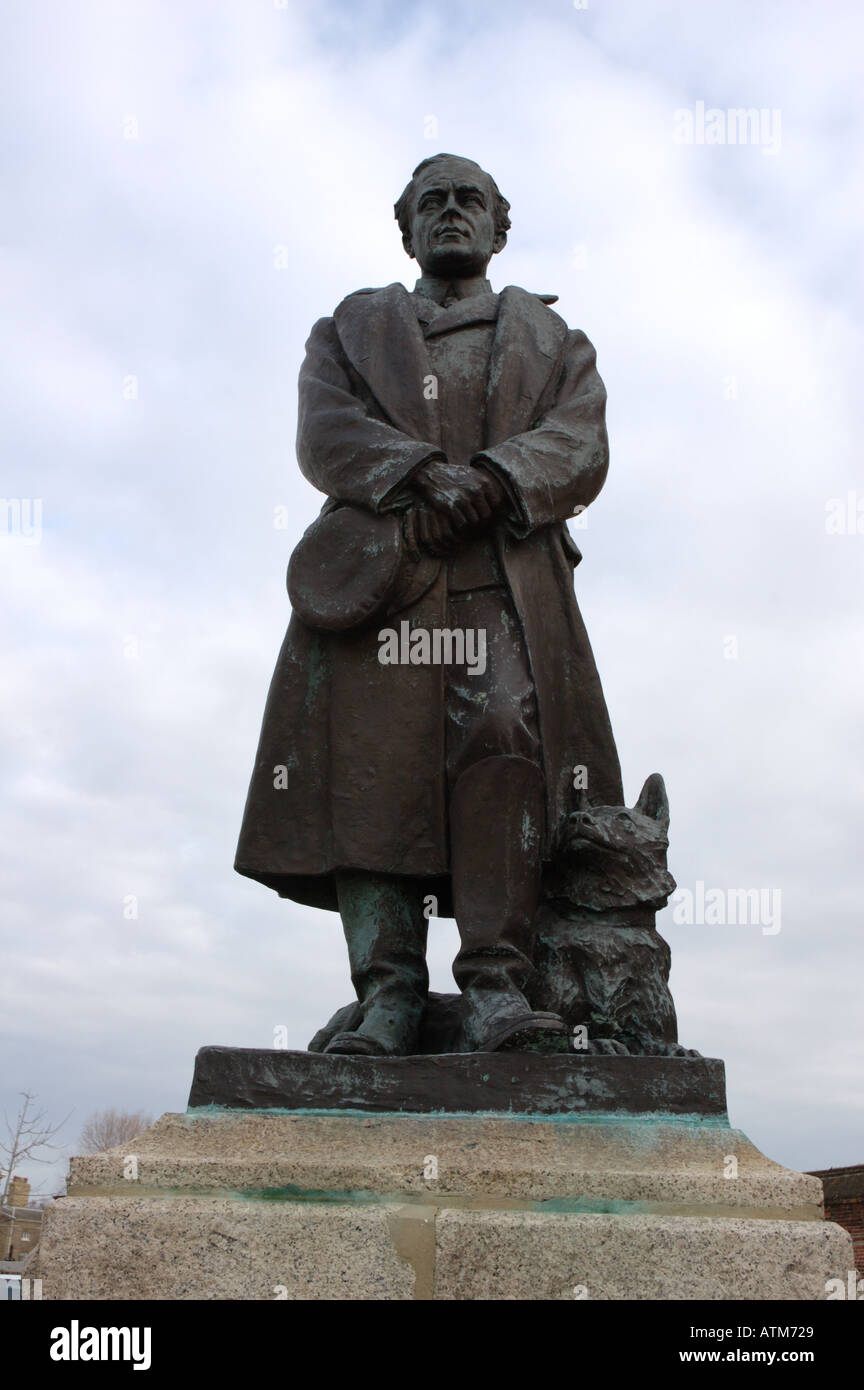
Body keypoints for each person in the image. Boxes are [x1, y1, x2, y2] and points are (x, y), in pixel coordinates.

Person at [235, 154, 623, 1055]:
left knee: (503, 737)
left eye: (470, 201)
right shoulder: (352, 326)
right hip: (385, 580)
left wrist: (494, 478)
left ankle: (495, 983)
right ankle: (389, 994)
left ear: (499, 226)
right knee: (371, 771)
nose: (452, 214)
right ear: (405, 227)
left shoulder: (551, 338)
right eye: (432, 203)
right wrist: (417, 477)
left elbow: (581, 440)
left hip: (500, 581)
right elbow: (326, 429)